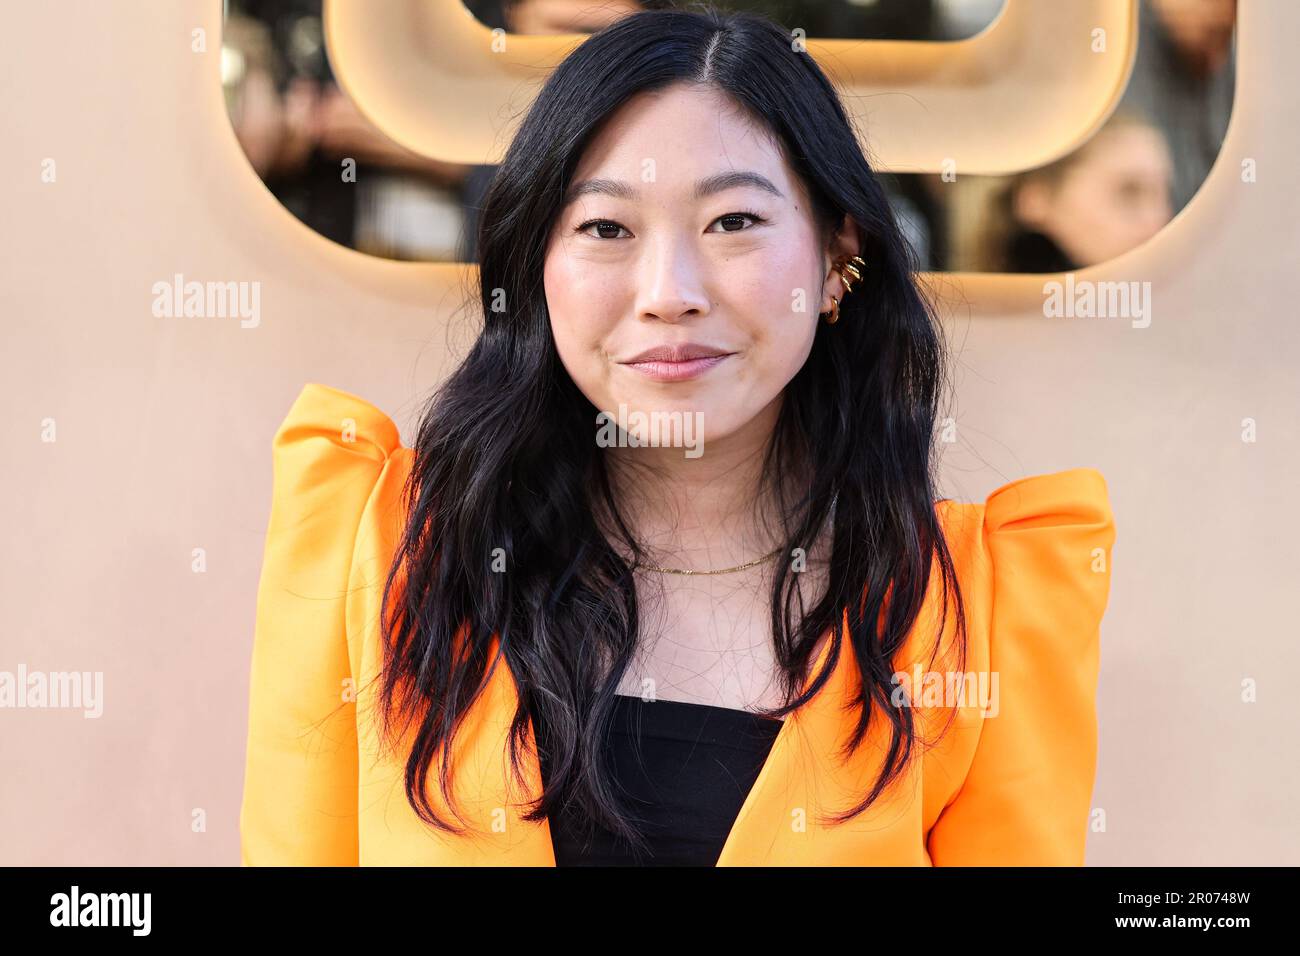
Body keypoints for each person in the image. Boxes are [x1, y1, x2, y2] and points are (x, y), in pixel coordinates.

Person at [240, 7, 1116, 866]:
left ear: (836, 258)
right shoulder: (380, 548)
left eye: (734, 222)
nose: (669, 291)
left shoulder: (980, 613)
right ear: (536, 265)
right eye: (606, 228)